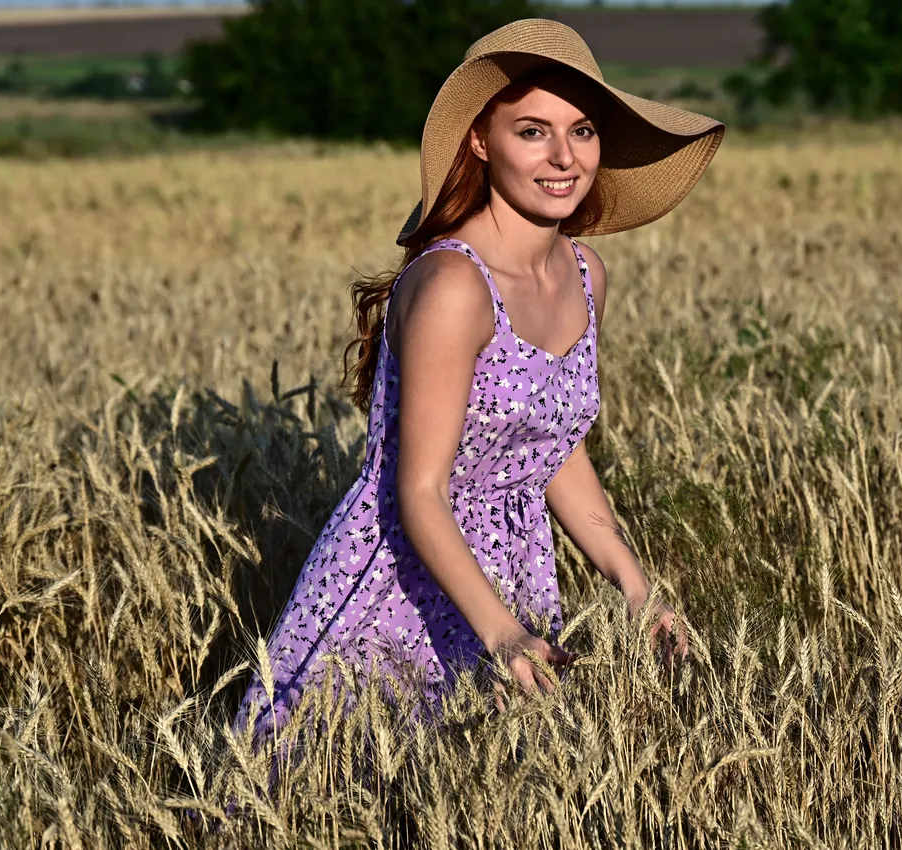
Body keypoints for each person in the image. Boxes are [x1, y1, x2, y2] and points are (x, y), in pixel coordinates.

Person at [235, 18, 725, 743]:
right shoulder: (454, 287)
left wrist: (636, 585)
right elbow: (419, 491)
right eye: (532, 132)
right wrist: (501, 634)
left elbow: (555, 450)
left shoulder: (586, 275)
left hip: (515, 574)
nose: (564, 157)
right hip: (398, 588)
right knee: (336, 796)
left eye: (583, 130)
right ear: (479, 140)